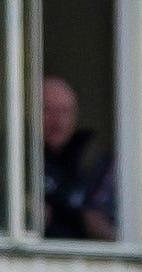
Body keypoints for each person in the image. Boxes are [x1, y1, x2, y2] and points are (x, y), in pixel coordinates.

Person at [37, 73, 120, 239]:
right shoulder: (16, 159)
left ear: (75, 118)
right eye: (47, 110)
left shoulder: (89, 163)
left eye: (64, 112)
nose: (57, 121)